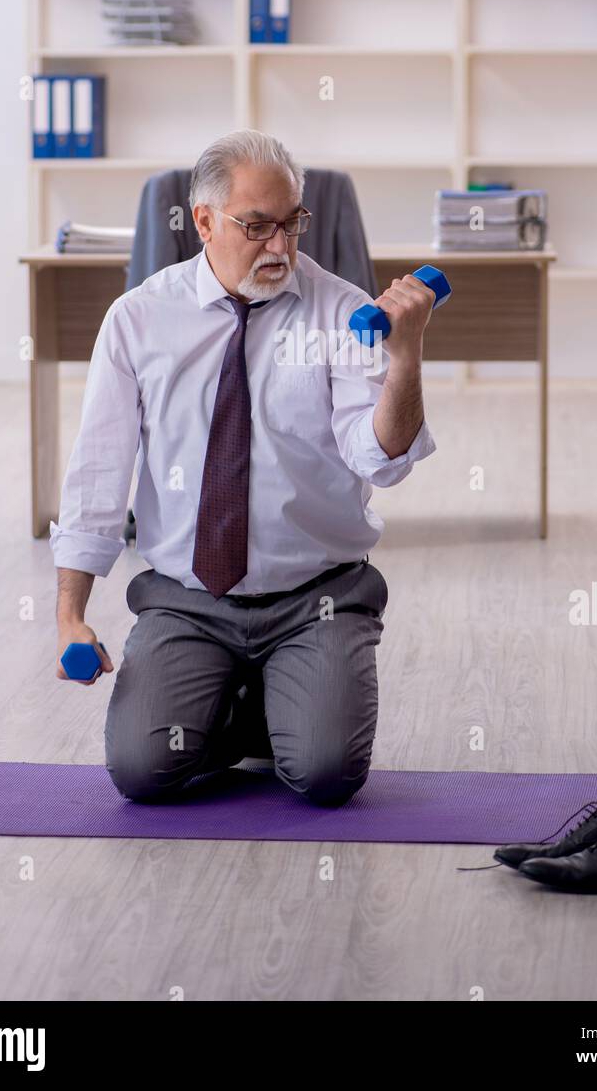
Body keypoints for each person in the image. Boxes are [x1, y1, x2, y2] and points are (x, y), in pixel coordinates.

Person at [50, 129, 437, 807]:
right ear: (203, 221)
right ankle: (246, 701)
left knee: (323, 776)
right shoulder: (138, 320)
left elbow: (381, 461)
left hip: (317, 597)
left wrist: (405, 357)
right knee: (142, 773)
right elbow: (98, 474)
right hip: (188, 599)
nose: (281, 247)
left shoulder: (344, 312)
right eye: (256, 227)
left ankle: (287, 702)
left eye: (292, 224)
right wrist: (70, 618)